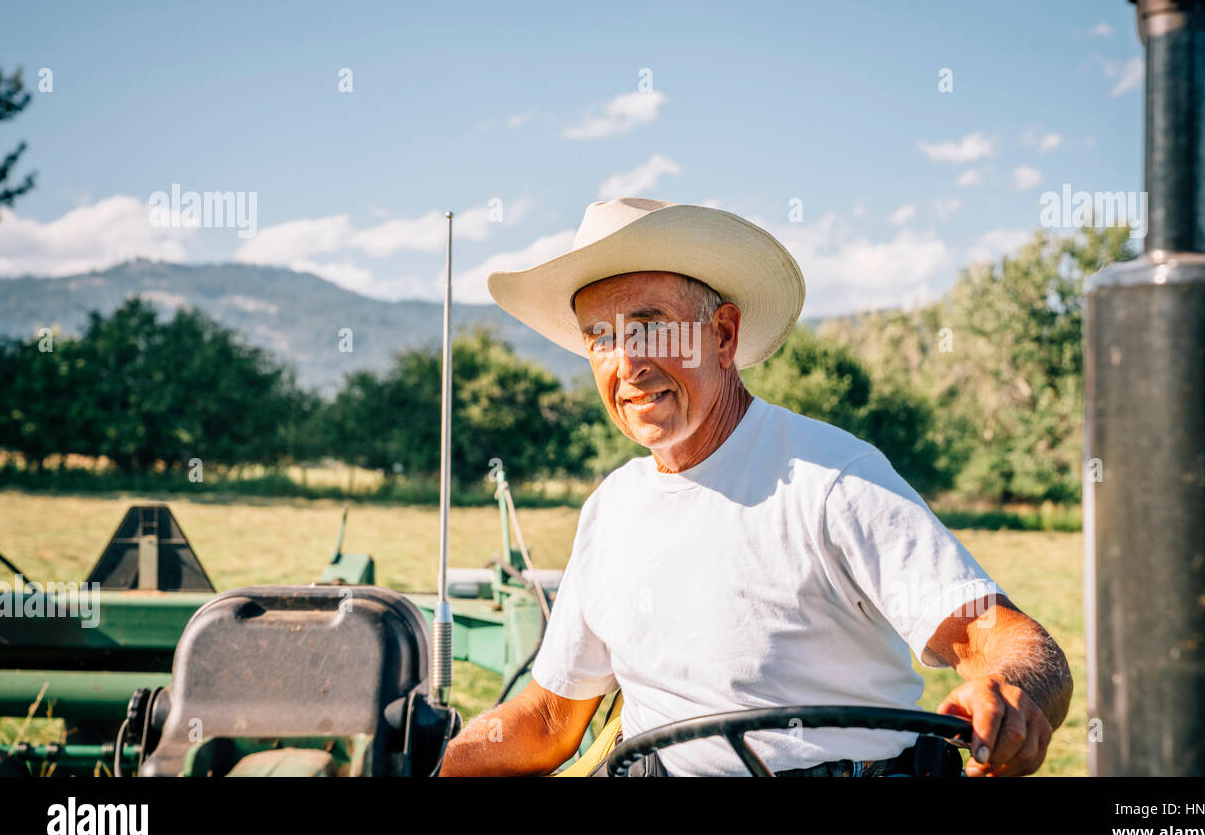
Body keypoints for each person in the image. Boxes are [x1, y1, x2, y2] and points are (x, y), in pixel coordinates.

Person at [440, 197, 1072, 777]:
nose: (625, 363)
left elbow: (1010, 643)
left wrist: (1008, 691)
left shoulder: (831, 479)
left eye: (650, 325)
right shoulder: (612, 509)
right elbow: (550, 720)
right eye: (600, 338)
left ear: (723, 335)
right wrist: (432, 764)